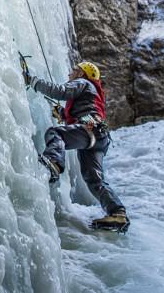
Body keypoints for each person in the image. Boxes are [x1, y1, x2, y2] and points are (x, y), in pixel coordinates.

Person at [24, 61, 129, 231]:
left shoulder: (83, 82)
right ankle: (117, 213)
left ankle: (54, 163)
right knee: (94, 179)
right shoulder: (92, 90)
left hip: (90, 129)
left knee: (55, 133)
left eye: (74, 71)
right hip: (99, 136)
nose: (69, 74)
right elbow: (85, 110)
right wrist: (64, 114)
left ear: (82, 74)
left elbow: (61, 91)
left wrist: (32, 81)